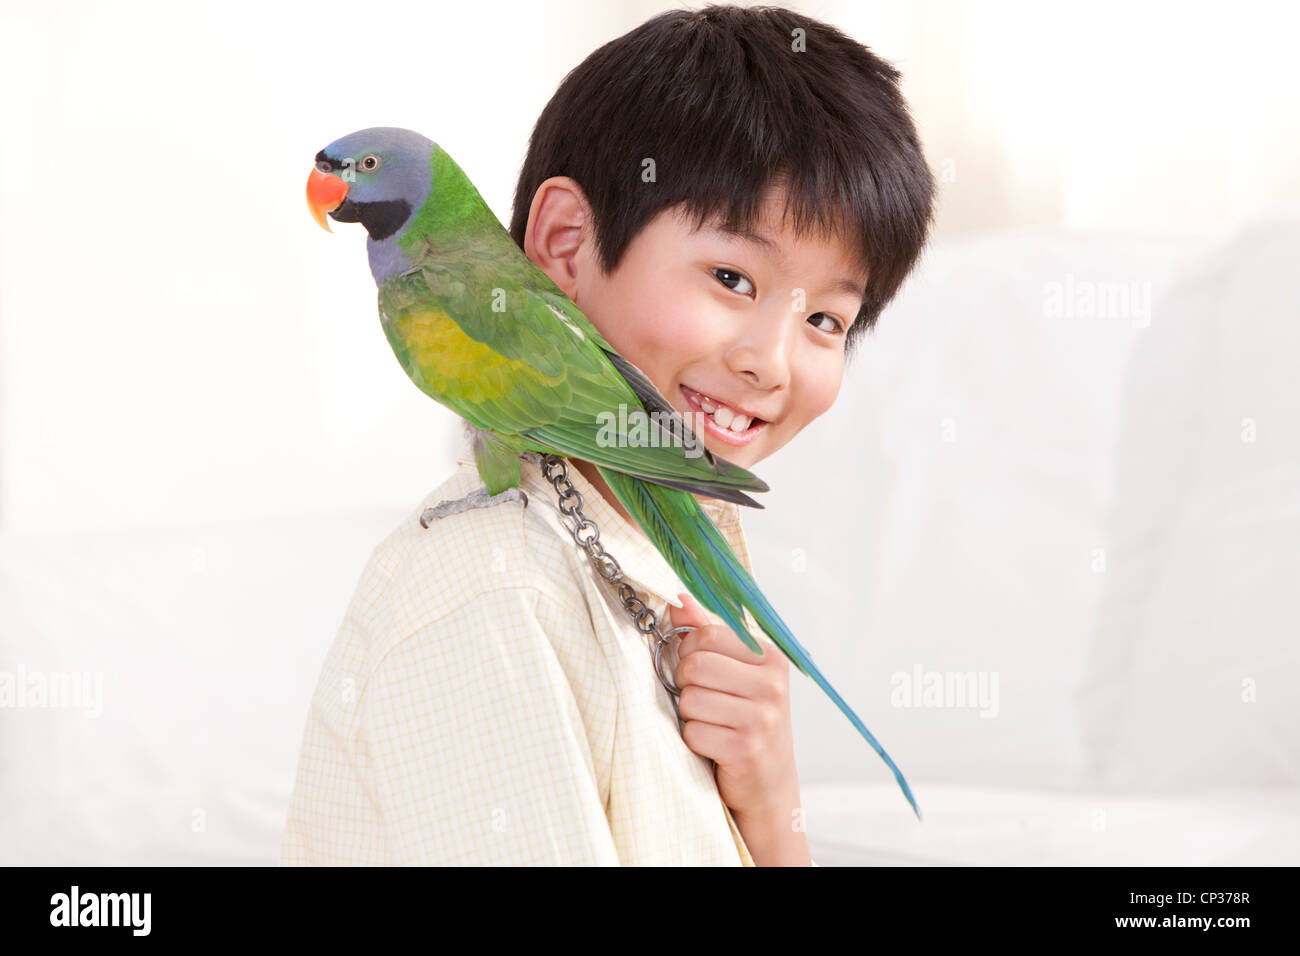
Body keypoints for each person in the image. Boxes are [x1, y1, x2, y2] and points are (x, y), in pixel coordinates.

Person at [281, 3, 935, 865]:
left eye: (826, 319)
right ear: (564, 243)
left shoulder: (671, 557)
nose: (770, 363)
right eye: (733, 276)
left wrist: (774, 813)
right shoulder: (489, 600)